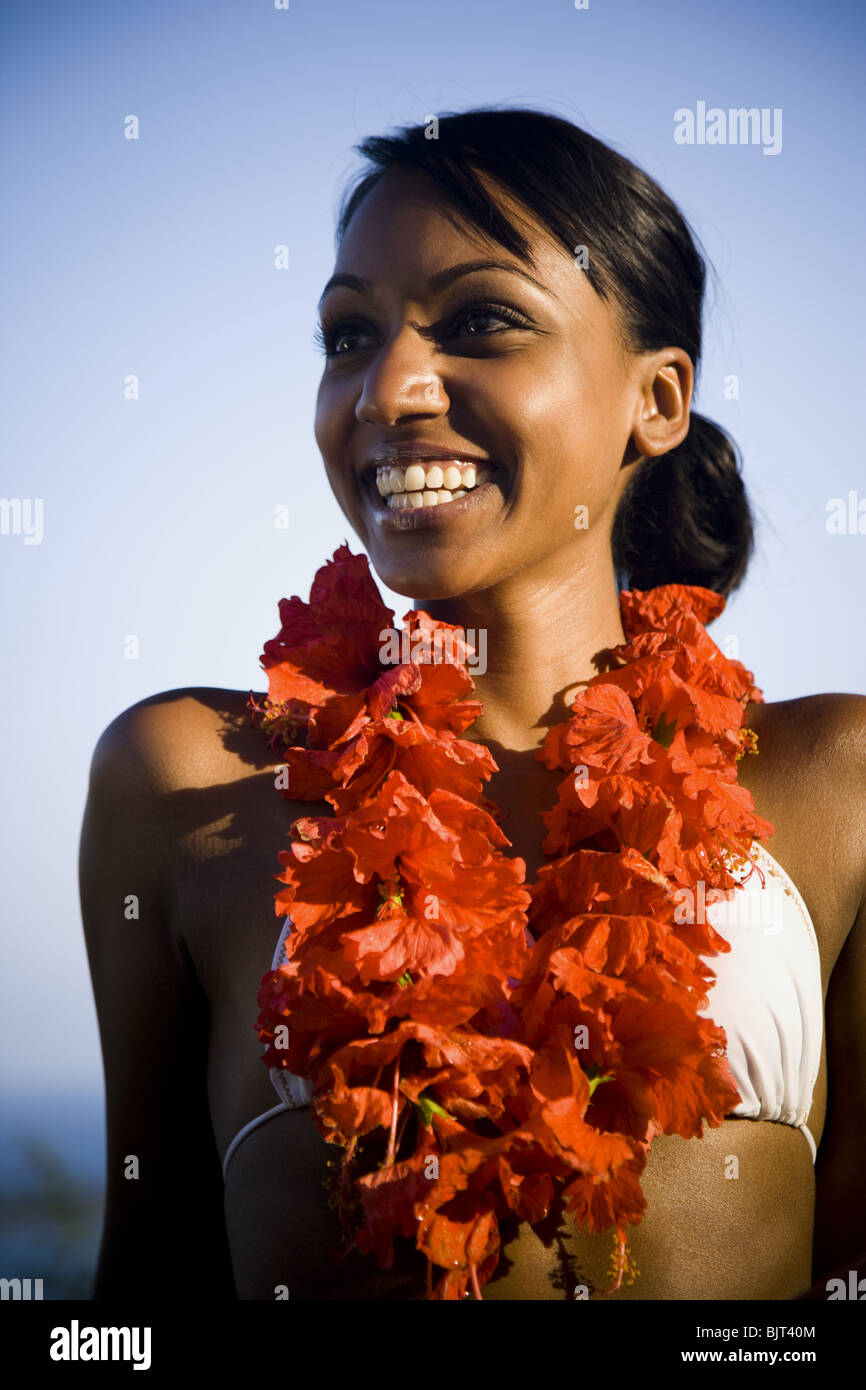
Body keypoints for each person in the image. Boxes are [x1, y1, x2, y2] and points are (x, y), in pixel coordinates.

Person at [80, 107, 866, 1301]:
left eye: (482, 320)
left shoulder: (832, 781)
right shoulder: (190, 781)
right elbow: (143, 1287)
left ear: (655, 400)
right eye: (347, 334)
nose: (387, 387)